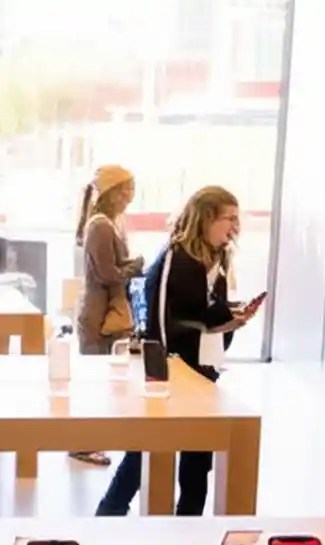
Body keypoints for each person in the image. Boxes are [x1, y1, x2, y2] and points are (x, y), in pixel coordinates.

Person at [95, 186, 253, 516]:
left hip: (203, 373)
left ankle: (188, 526)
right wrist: (171, 375)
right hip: (171, 374)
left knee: (197, 463)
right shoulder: (176, 258)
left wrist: (230, 319)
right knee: (145, 452)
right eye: (230, 219)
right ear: (207, 217)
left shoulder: (217, 258)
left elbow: (205, 316)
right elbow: (165, 324)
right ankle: (108, 515)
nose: (235, 227)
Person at [71, 165, 143, 467]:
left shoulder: (107, 223)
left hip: (102, 311)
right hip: (99, 316)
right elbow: (106, 274)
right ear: (112, 192)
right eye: (126, 188)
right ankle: (82, 444)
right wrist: (134, 267)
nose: (131, 195)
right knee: (95, 381)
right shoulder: (101, 225)